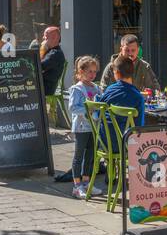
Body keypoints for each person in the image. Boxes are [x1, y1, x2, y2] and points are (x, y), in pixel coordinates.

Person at [64, 56, 100, 198]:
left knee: (90, 155)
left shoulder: (96, 88)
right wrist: (88, 109)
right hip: (81, 127)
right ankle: (77, 185)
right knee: (79, 156)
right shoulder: (77, 89)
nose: (93, 75)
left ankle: (87, 182)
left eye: (95, 72)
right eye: (90, 71)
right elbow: (73, 107)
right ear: (81, 71)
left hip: (93, 126)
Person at [95, 55, 145, 154]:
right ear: (132, 72)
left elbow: (98, 113)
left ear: (116, 73)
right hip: (126, 144)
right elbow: (139, 127)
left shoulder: (109, 90)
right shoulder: (138, 97)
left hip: (104, 142)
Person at [38, 25, 66, 95]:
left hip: (46, 88)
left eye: (45, 37)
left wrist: (42, 50)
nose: (43, 38)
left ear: (54, 38)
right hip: (42, 85)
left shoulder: (55, 53)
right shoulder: (51, 51)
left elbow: (40, 66)